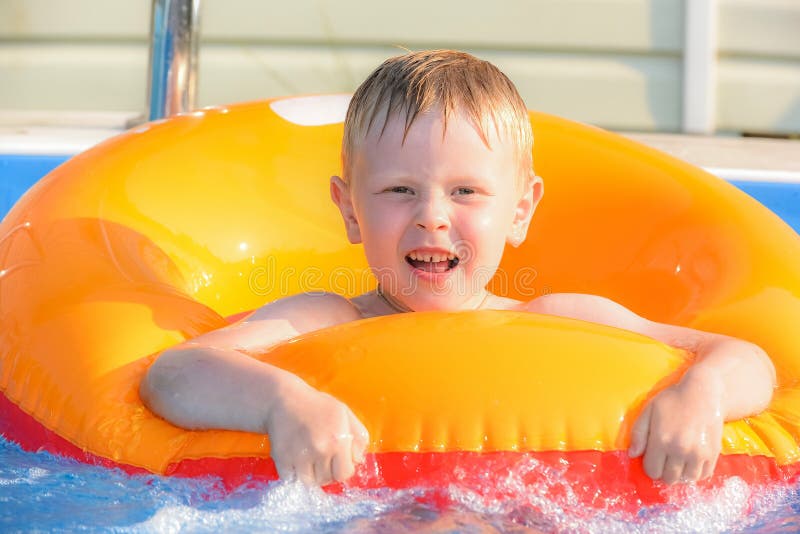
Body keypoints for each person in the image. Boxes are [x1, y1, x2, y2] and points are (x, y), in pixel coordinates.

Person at [139, 49, 775, 488]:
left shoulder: (561, 322)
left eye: (466, 192)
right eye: (399, 191)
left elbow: (742, 357)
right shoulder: (323, 320)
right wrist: (285, 401)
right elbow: (175, 373)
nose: (432, 218)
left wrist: (703, 395)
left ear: (521, 210)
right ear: (351, 210)